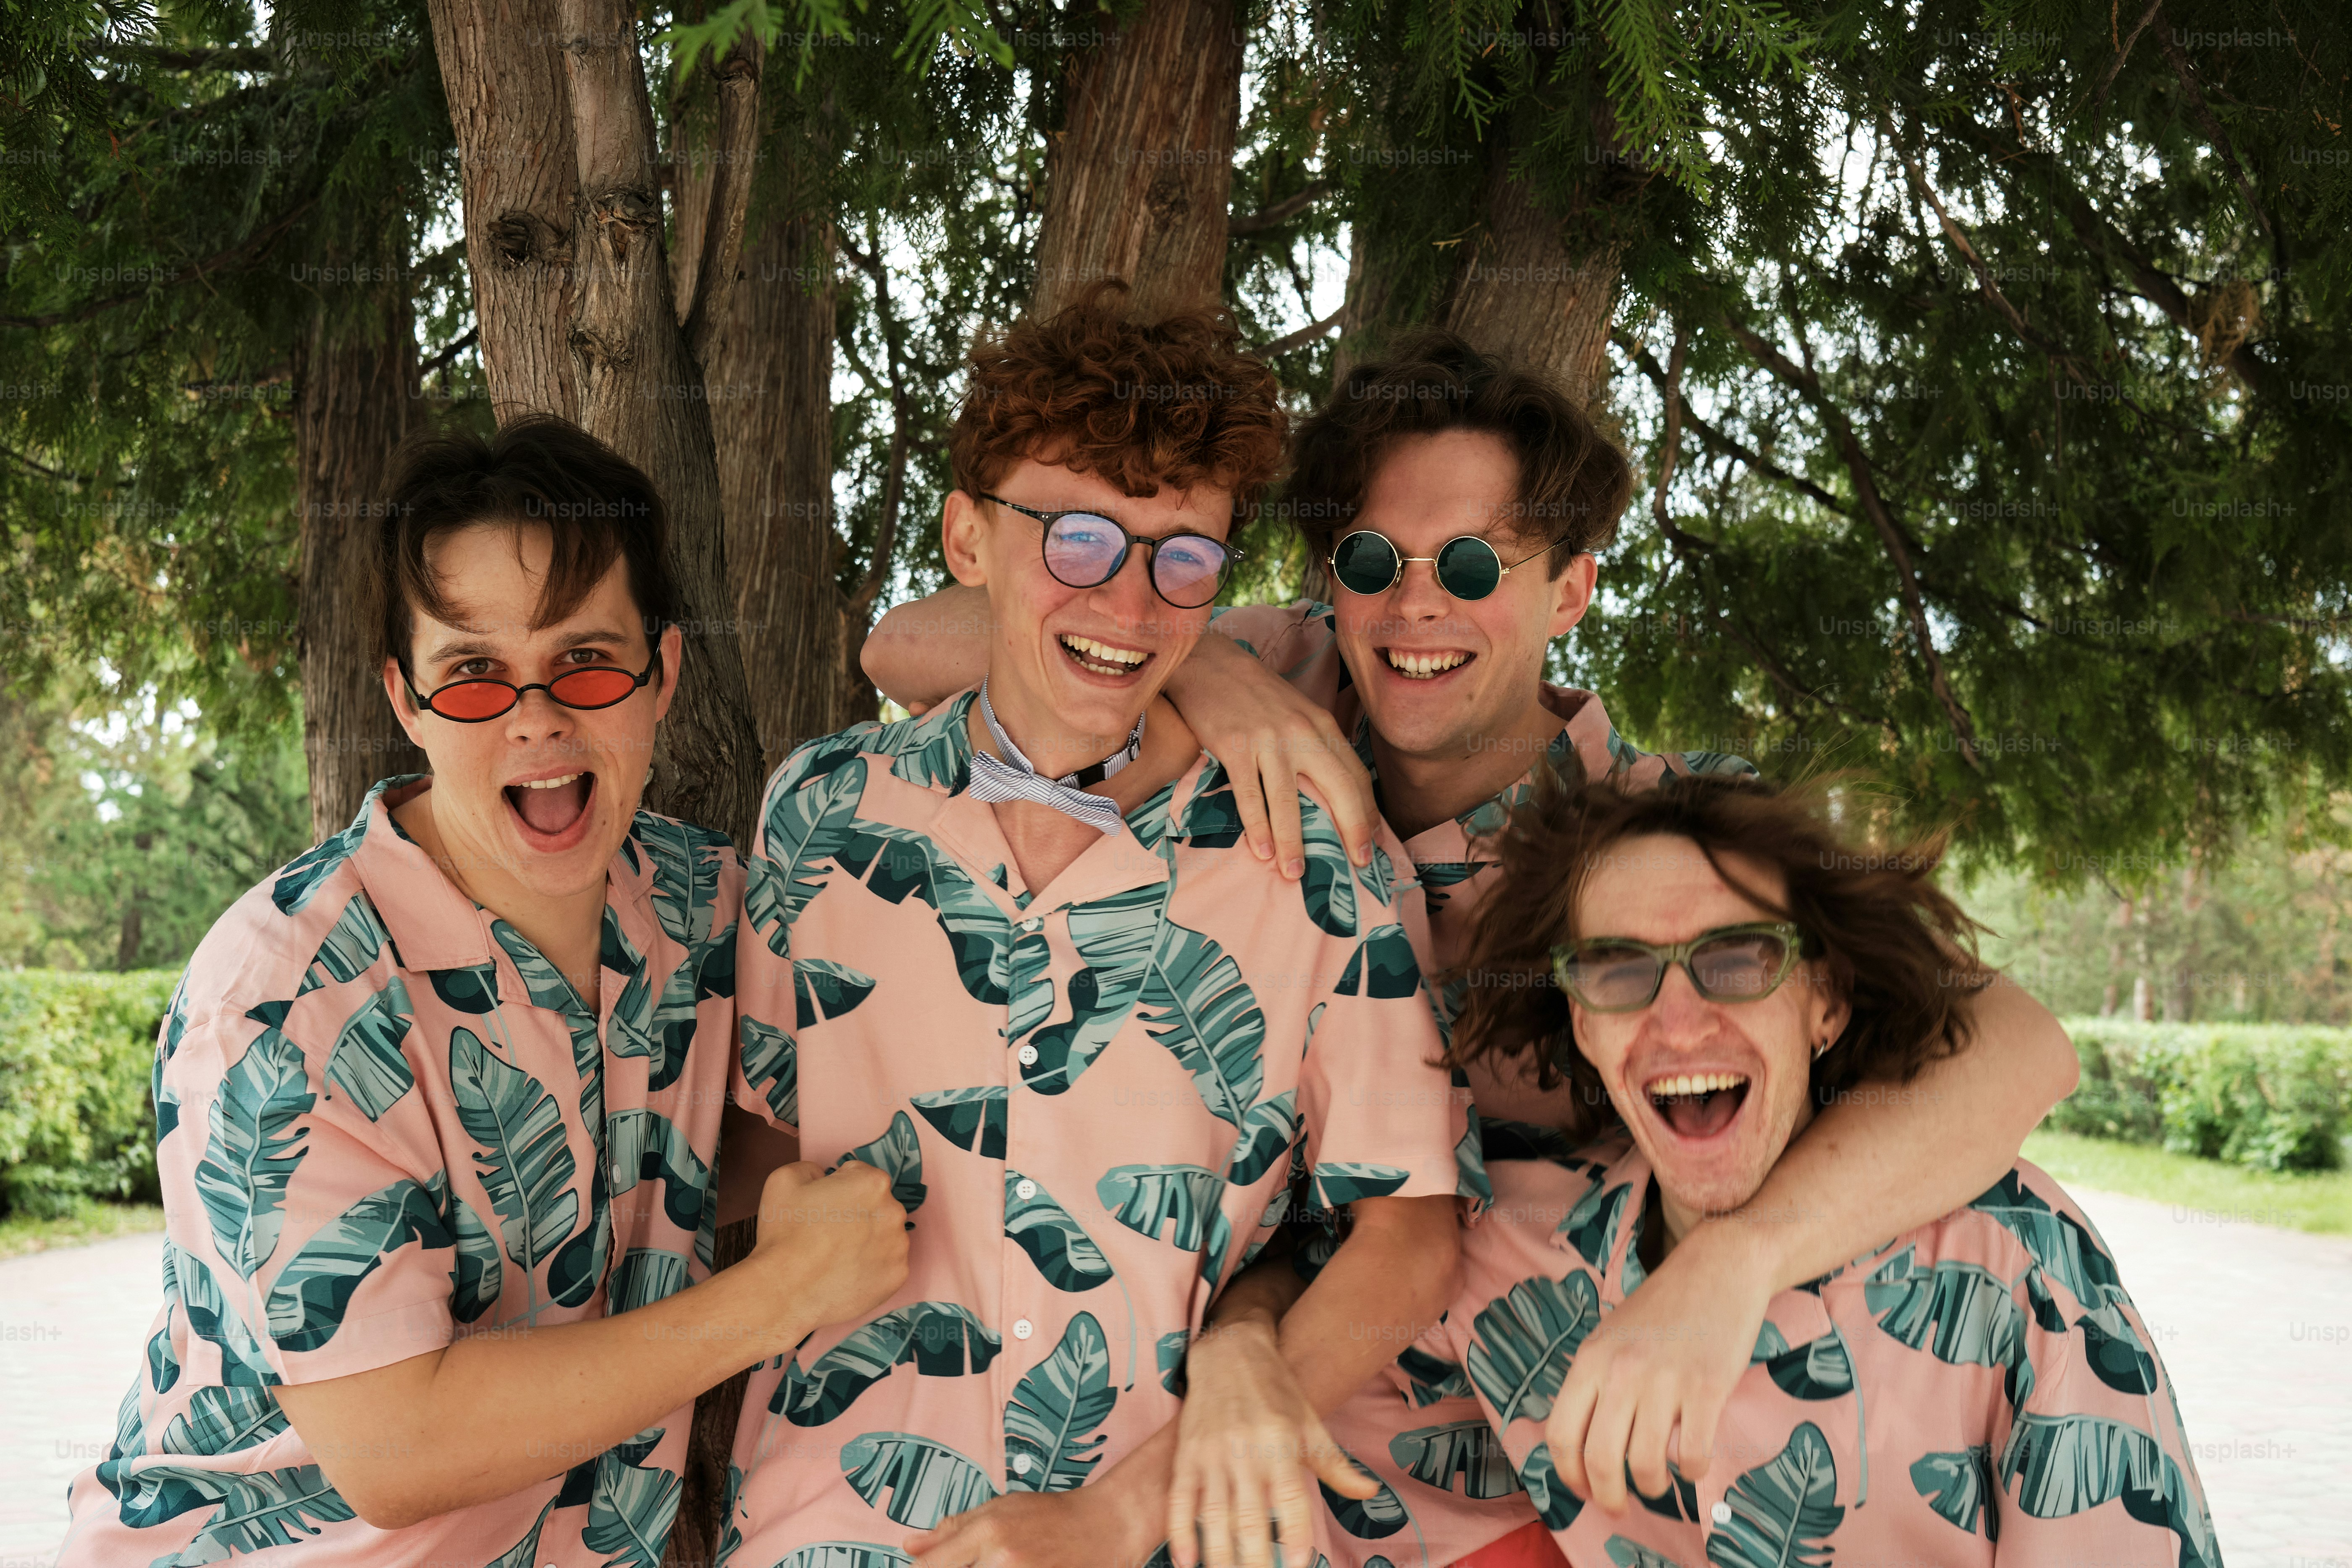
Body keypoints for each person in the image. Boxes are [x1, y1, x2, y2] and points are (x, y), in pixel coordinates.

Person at [862, 331, 2080, 1568]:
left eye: (1472, 563)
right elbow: (904, 642)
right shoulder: (1267, 667)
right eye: (1375, 560)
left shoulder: (1667, 844)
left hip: (1533, 1469)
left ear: (1571, 589)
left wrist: (1736, 1264)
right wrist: (1217, 680)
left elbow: (2023, 1045)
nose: (1417, 603)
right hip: (1210, 1421)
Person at [714, 282, 1471, 1568]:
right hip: (830, 1520)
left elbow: (1407, 1232)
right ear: (967, 537)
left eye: (1182, 557)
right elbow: (758, 1143)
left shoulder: (1318, 858)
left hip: (1164, 1528)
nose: (1129, 604)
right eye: (1076, 539)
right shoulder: (821, 811)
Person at [58, 418, 908, 1563]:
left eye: (587, 658)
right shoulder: (286, 997)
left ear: (662, 674)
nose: (538, 714)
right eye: (473, 672)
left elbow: (795, 1120)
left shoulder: (707, 907)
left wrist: (1196, 657)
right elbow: (398, 1445)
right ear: (405, 700)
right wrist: (784, 1289)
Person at [1420, 762, 2219, 1568]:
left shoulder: (2017, 1266)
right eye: (1619, 971)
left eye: (1736, 959)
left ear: (1826, 1003)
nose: (1679, 1022)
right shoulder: (1498, 1250)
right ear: (1583, 1028)